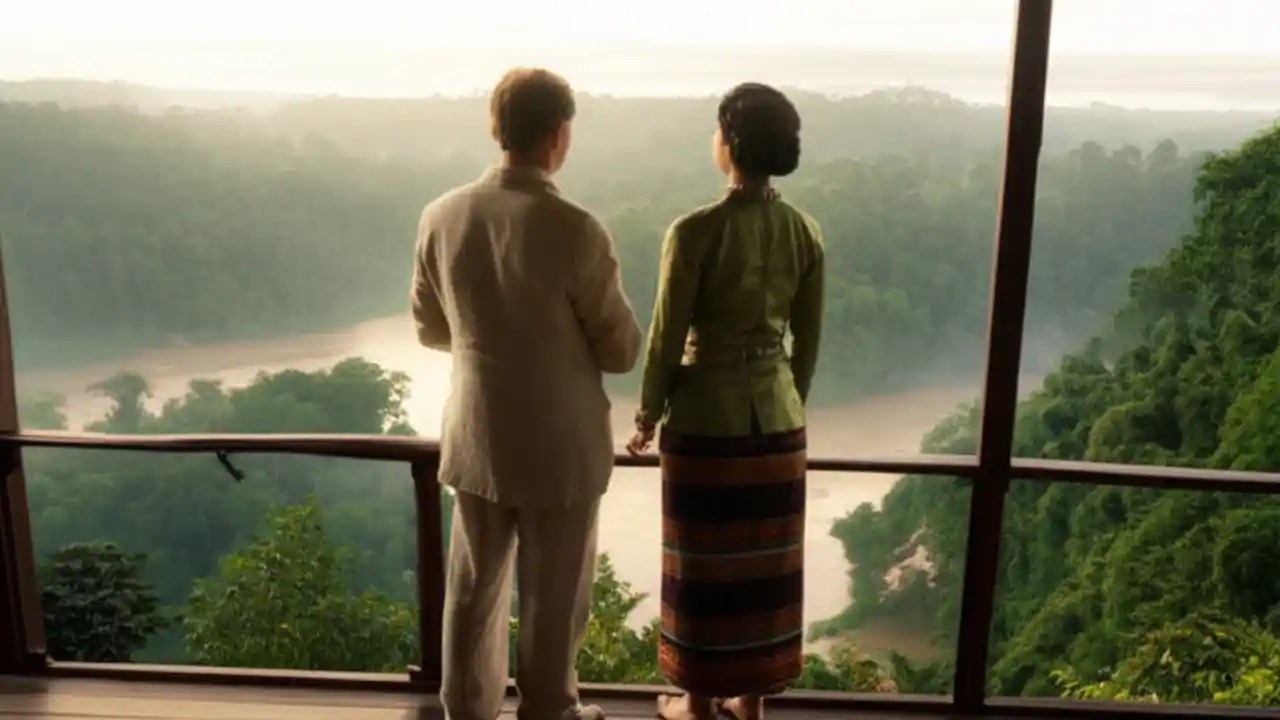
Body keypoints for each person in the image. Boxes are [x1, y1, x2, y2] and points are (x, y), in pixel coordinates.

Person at [412, 67, 643, 720]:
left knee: (472, 592)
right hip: (560, 446)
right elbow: (622, 351)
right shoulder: (574, 228)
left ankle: (468, 709)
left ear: (498, 128)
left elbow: (431, 328)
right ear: (559, 134)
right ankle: (550, 711)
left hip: (478, 432)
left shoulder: (443, 215)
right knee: (553, 594)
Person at [626, 83, 824, 720]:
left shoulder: (694, 232)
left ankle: (699, 704)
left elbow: (665, 335)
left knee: (702, 566)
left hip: (707, 420)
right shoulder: (804, 231)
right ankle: (754, 705)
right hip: (779, 424)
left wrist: (646, 415)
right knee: (767, 571)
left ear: (730, 144)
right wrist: (790, 402)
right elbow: (809, 342)